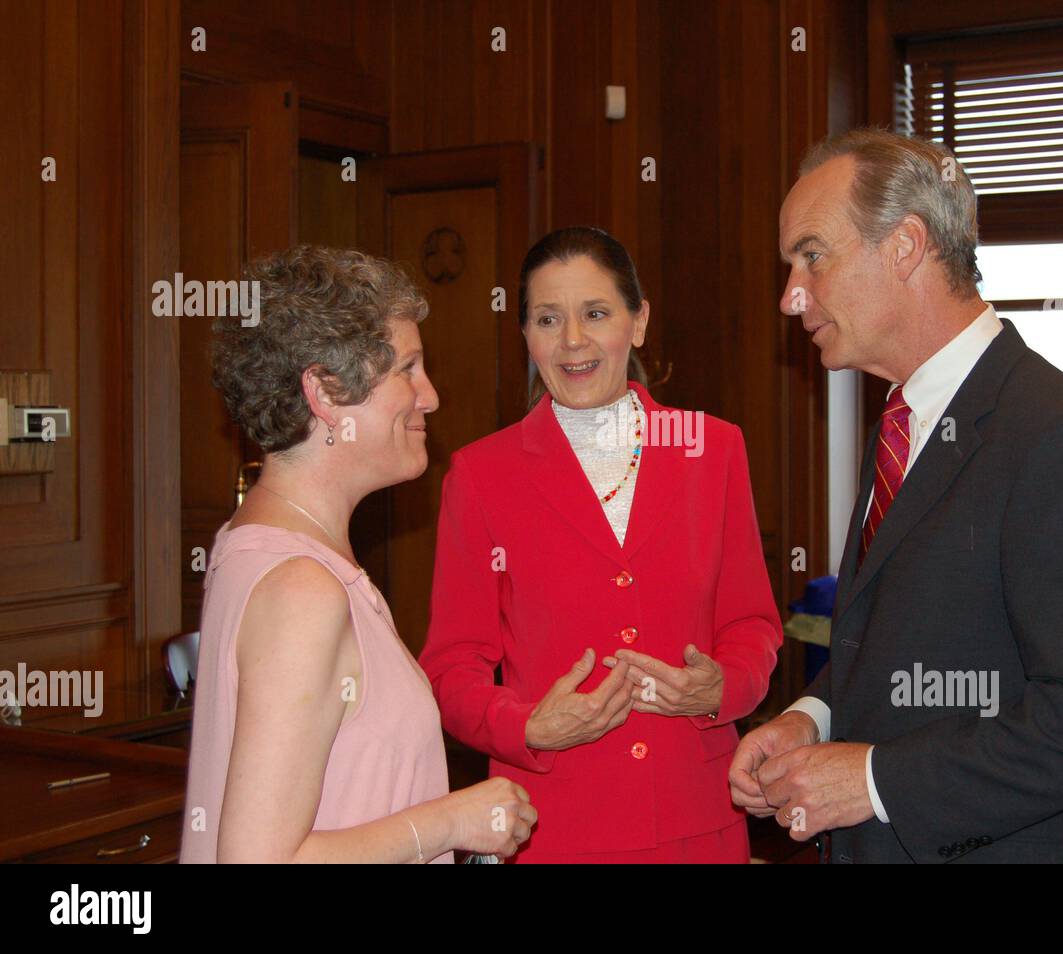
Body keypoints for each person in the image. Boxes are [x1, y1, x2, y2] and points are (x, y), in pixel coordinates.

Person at [729, 129, 1063, 863]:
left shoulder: (1055, 432)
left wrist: (874, 780)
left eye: (812, 256)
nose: (791, 297)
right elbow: (906, 638)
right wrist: (812, 716)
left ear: (905, 246)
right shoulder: (906, 420)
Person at [421, 226, 782, 863]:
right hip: (553, 827)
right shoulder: (481, 476)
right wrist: (527, 725)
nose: (573, 341)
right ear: (526, 335)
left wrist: (721, 687)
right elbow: (452, 667)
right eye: (547, 319)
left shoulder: (713, 448)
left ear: (638, 322)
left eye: (595, 313)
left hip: (695, 820)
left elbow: (752, 622)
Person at [182, 245, 536, 863]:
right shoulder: (302, 589)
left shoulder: (261, 544)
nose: (429, 397)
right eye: (408, 368)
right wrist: (451, 821)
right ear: (323, 390)